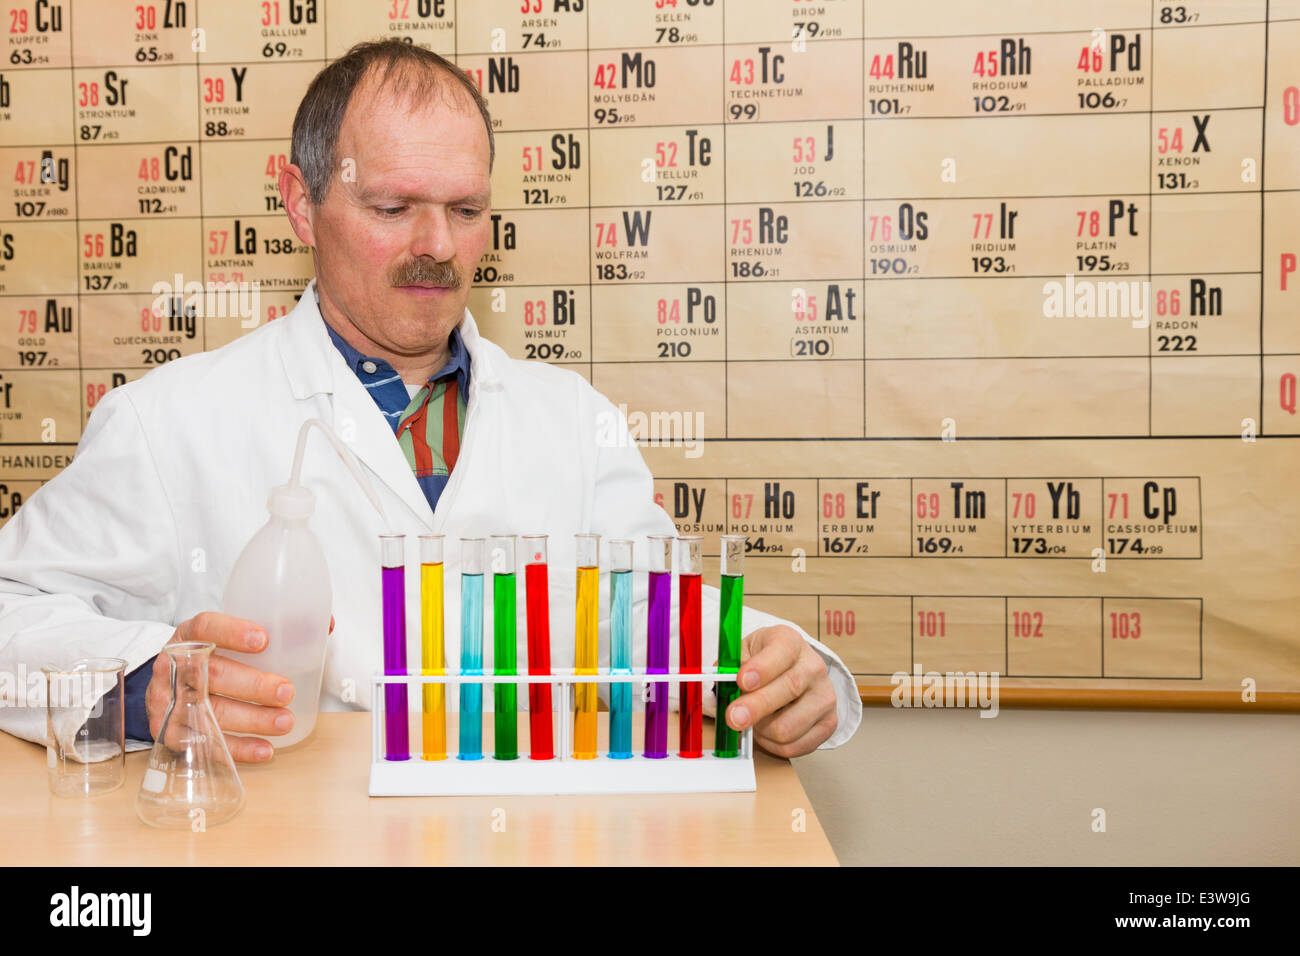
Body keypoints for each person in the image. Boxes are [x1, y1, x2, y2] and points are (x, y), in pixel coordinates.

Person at [0, 40, 860, 763]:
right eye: (393, 207)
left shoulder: (571, 420)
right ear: (303, 204)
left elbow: (658, 616)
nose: (437, 247)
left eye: (466, 208)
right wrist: (147, 683)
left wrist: (772, 669)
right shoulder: (171, 423)